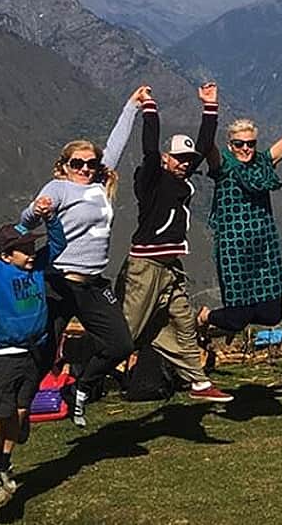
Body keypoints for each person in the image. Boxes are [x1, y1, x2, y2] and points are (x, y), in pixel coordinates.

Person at [20, 86, 148, 427]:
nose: (85, 168)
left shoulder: (98, 184)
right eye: (77, 163)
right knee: (44, 351)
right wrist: (37, 211)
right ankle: (20, 407)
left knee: (120, 345)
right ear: (64, 166)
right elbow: (25, 221)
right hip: (60, 282)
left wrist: (132, 106)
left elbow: (116, 145)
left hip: (93, 284)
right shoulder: (58, 188)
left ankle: (82, 386)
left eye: (91, 163)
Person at [117, 83, 233, 403]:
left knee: (184, 320)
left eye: (187, 160)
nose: (184, 163)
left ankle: (198, 383)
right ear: (166, 159)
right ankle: (79, 374)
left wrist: (210, 106)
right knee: (125, 336)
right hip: (145, 267)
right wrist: (149, 107)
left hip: (169, 267)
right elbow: (150, 150)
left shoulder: (182, 177)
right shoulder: (152, 181)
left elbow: (204, 144)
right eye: (178, 158)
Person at [0, 203, 62, 504]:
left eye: (32, 247)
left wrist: (51, 218)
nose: (31, 253)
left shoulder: (37, 266)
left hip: (33, 354)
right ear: (7, 255)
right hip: (6, 357)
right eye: (24, 250)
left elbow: (58, 244)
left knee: (20, 412)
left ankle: (5, 461)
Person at [198, 78, 282, 336]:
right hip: (234, 250)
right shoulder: (223, 165)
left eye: (250, 143)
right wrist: (210, 106)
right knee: (237, 318)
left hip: (264, 248)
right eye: (239, 144)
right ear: (230, 145)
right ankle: (205, 317)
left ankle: (223, 326)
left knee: (272, 315)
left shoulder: (263, 163)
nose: (246, 148)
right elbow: (205, 144)